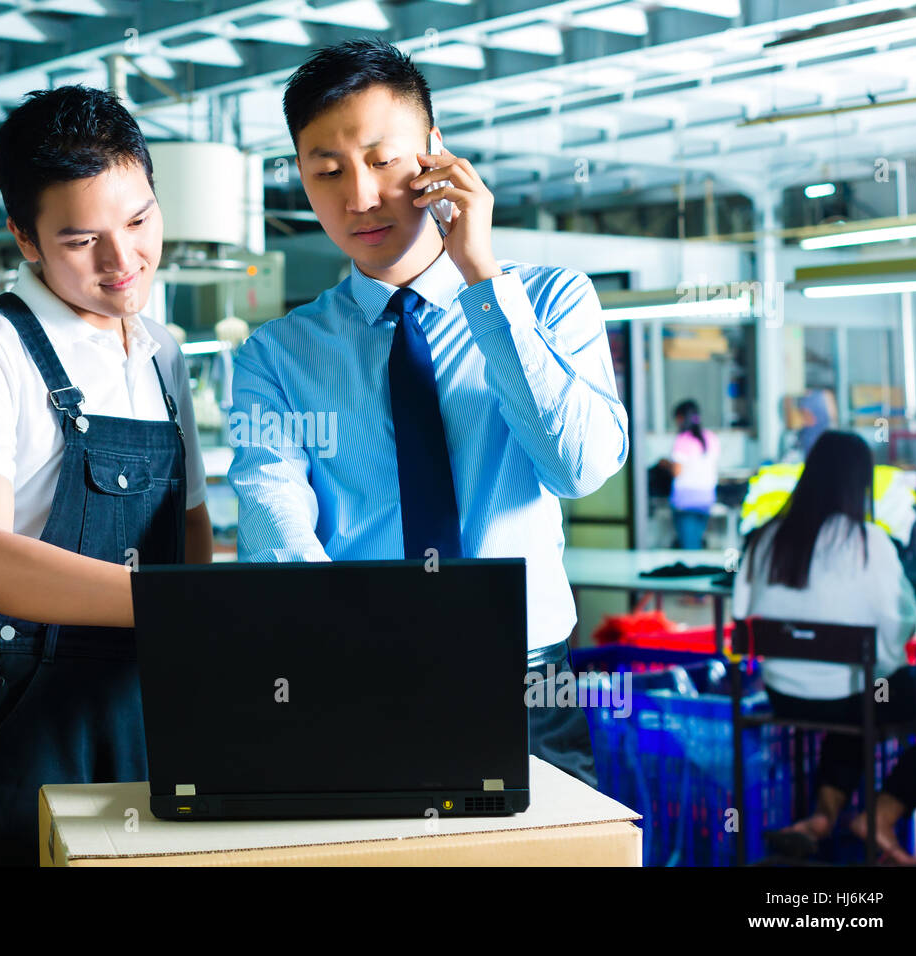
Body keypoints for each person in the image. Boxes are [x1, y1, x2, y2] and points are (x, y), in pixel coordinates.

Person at [227, 39, 629, 786]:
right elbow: (274, 532)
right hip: (355, 674)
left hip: (529, 686)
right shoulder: (274, 358)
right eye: (326, 172)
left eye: (382, 160)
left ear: (435, 152)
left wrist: (482, 276)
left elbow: (579, 468)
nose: (359, 197)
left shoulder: (551, 299)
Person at [0, 86, 212, 867]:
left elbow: (192, 529)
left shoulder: (163, 351)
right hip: (10, 715)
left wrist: (202, 638)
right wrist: (178, 610)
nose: (123, 261)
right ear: (25, 238)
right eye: (82, 241)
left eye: (139, 221)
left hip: (140, 707)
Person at [733, 431, 916, 863]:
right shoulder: (868, 541)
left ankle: (822, 818)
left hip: (783, 694)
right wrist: (885, 668)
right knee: (875, 692)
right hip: (853, 694)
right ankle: (882, 814)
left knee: (861, 699)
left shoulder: (765, 537)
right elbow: (900, 623)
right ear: (859, 483)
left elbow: (740, 616)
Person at [665, 399, 719, 550]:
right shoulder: (711, 437)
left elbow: (677, 472)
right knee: (696, 541)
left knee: (689, 548)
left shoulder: (682, 440)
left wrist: (666, 464)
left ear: (680, 418)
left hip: (685, 500)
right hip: (706, 498)